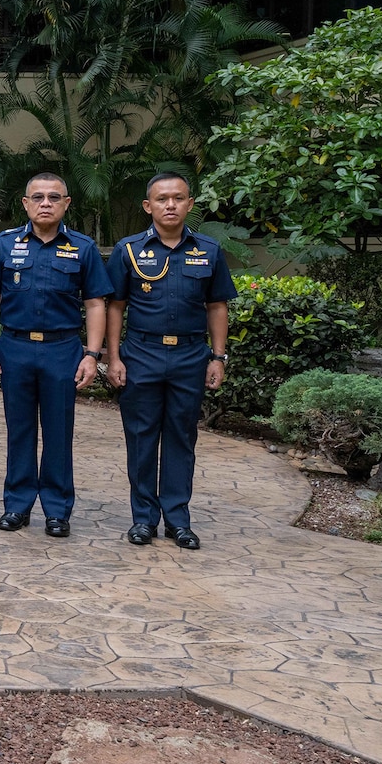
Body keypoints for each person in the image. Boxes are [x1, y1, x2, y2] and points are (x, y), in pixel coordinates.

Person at [0, 173, 112, 537]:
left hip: (61, 350)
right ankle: (17, 506)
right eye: (37, 197)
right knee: (19, 430)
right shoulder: (5, 245)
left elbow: (95, 303)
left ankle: (57, 509)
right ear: (26, 204)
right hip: (16, 347)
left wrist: (92, 354)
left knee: (58, 432)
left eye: (54, 197)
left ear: (67, 203)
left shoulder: (82, 248)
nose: (46, 203)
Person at [106, 172, 235, 550]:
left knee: (182, 437)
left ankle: (178, 519)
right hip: (141, 354)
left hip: (190, 356)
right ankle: (143, 518)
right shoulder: (129, 250)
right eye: (162, 199)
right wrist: (113, 357)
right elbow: (115, 306)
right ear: (148, 206)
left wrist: (218, 357)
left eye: (178, 198)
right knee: (141, 438)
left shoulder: (208, 250)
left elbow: (217, 306)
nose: (170, 205)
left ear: (190, 204)